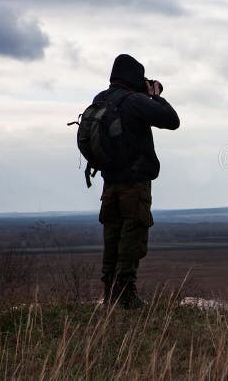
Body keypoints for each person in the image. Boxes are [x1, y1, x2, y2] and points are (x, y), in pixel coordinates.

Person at [96, 54, 180, 309]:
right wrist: (154, 95)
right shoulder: (134, 102)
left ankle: (110, 291)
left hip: (109, 183)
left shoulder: (101, 99)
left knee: (112, 236)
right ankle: (126, 293)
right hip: (134, 184)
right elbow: (172, 120)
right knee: (132, 237)